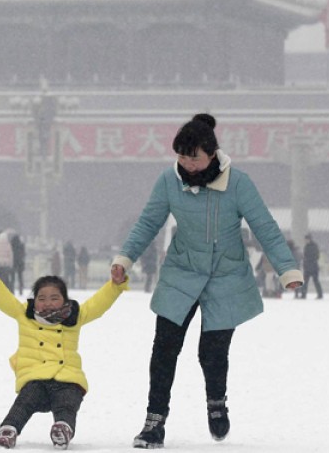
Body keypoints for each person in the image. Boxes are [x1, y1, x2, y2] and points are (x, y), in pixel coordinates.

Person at [110, 113, 302, 449]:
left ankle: (216, 404)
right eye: (181, 157)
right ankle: (154, 421)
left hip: (226, 276)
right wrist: (125, 258)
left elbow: (265, 227)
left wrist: (287, 269)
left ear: (212, 154)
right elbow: (147, 223)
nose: (187, 164)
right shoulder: (169, 181)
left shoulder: (239, 183)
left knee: (211, 352)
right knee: (164, 349)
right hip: (181, 272)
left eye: (194, 157)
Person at [0, 270, 128, 450]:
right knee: (25, 401)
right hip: (36, 378)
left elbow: (99, 303)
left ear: (65, 300)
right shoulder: (24, 315)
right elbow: (2, 297)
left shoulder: (75, 317)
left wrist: (115, 285)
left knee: (68, 403)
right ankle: (8, 430)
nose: (47, 303)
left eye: (54, 298)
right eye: (41, 298)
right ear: (34, 301)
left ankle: (62, 429)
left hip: (67, 378)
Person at [0, 229, 16, 293]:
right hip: (6, 264)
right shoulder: (8, 244)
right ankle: (5, 290)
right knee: (5, 278)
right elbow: (10, 255)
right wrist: (11, 263)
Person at [301, 233, 323, 299]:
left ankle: (320, 294)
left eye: (306, 239)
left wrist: (308, 260)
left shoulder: (313, 246)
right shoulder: (307, 246)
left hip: (313, 267)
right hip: (308, 266)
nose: (305, 241)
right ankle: (303, 295)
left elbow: (316, 256)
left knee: (315, 281)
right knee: (305, 282)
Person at [9, 230, 27, 296]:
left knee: (12, 277)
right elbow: (24, 253)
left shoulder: (12, 244)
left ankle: (12, 289)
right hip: (20, 262)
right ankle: (21, 289)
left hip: (13, 262)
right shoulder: (21, 244)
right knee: (20, 277)